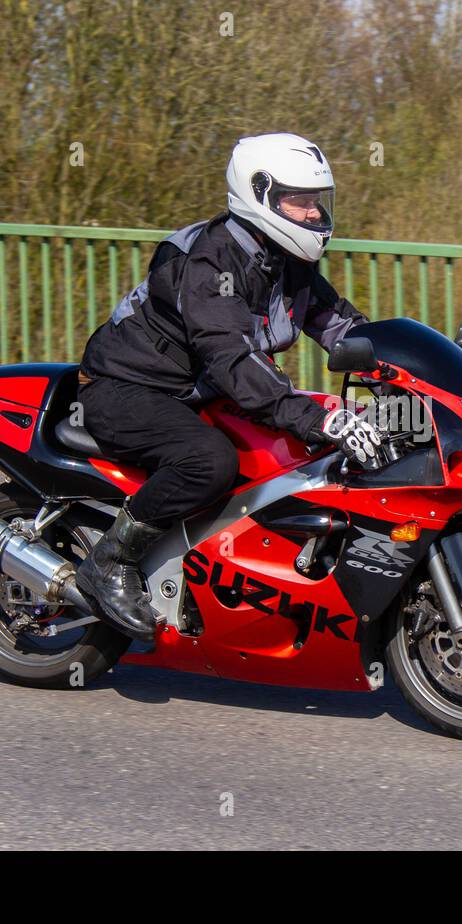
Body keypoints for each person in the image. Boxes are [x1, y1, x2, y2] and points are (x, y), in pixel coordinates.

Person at [73, 132, 383, 642]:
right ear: (257, 194)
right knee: (210, 462)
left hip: (196, 390)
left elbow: (343, 329)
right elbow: (233, 360)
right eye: (299, 201)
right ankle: (110, 560)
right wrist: (319, 417)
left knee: (300, 456)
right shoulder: (210, 265)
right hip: (125, 388)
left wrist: (407, 368)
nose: (313, 215)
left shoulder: (287, 262)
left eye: (316, 202)